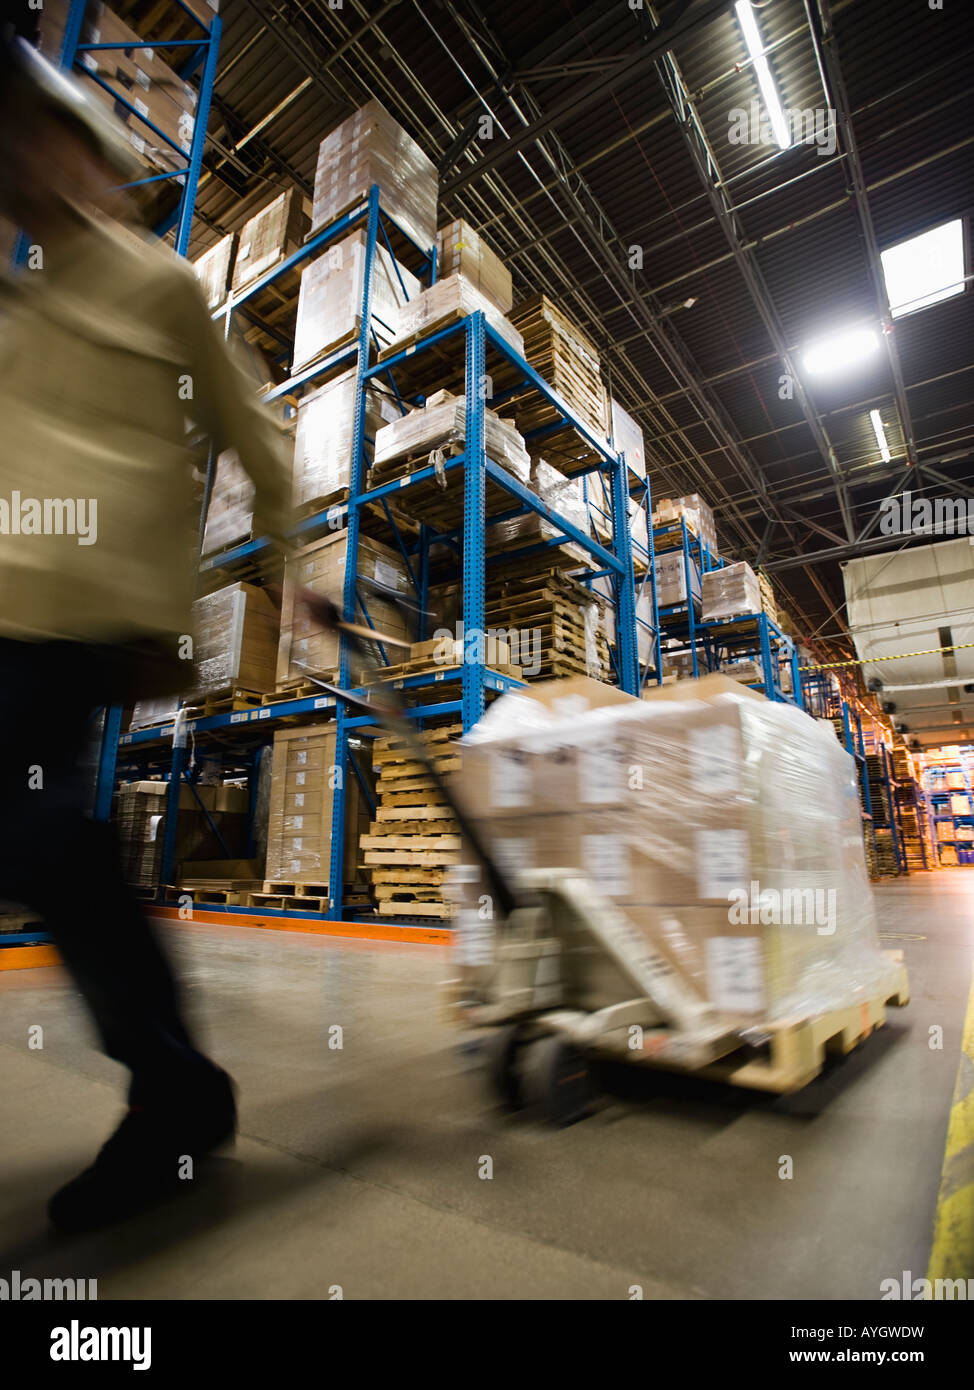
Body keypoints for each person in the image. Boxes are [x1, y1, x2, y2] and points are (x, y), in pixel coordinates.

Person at [0, 34, 293, 1231]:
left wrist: (293, 566)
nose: (15, 155)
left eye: (33, 132)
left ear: (87, 155)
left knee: (43, 828)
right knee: (39, 832)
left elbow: (253, 429)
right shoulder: (18, 305)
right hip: (8, 605)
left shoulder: (159, 281)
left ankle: (174, 1088)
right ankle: (176, 1084)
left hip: (78, 610)